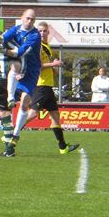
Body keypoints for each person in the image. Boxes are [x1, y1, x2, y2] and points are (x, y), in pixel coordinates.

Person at [30, 21, 79, 155]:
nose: (42, 33)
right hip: (42, 85)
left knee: (55, 116)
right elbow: (37, 66)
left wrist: (53, 68)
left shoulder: (47, 46)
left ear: (48, 32)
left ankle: (63, 147)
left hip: (48, 86)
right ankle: (11, 133)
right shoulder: (38, 46)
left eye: (44, 31)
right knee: (33, 113)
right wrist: (53, 63)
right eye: (39, 31)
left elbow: (46, 65)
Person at [0, 9, 43, 158]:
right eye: (28, 18)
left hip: (31, 71)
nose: (30, 21)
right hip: (19, 67)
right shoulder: (15, 30)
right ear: (22, 18)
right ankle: (10, 98)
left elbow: (20, 52)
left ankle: (15, 135)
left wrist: (3, 50)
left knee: (25, 102)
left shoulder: (35, 35)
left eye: (32, 19)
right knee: (15, 66)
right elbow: (2, 38)